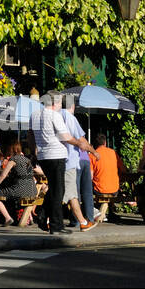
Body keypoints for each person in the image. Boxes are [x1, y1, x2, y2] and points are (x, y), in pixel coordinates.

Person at [31, 93, 91, 235]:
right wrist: (79, 143)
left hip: (43, 156)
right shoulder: (54, 115)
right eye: (59, 103)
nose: (60, 106)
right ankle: (56, 226)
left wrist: (35, 153)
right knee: (59, 191)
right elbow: (64, 136)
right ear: (54, 103)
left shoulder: (34, 115)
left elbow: (30, 135)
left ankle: (42, 216)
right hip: (56, 156)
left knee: (53, 188)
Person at [60, 101, 96, 232]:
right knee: (85, 191)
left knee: (74, 192)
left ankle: (76, 220)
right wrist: (93, 151)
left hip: (73, 160)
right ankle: (88, 219)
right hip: (83, 158)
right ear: (73, 106)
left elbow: (80, 140)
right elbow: (82, 140)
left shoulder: (60, 116)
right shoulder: (69, 117)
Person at [0, 141, 38, 226]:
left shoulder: (13, 159)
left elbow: (4, 174)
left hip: (20, 190)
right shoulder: (27, 159)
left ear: (12, 150)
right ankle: (29, 217)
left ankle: (7, 218)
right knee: (12, 192)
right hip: (33, 190)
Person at [89, 135, 120, 221]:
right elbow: (123, 169)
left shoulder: (92, 156)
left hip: (99, 190)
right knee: (108, 192)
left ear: (95, 144)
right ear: (105, 143)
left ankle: (100, 214)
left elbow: (90, 176)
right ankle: (110, 213)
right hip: (115, 189)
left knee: (93, 189)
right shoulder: (113, 153)